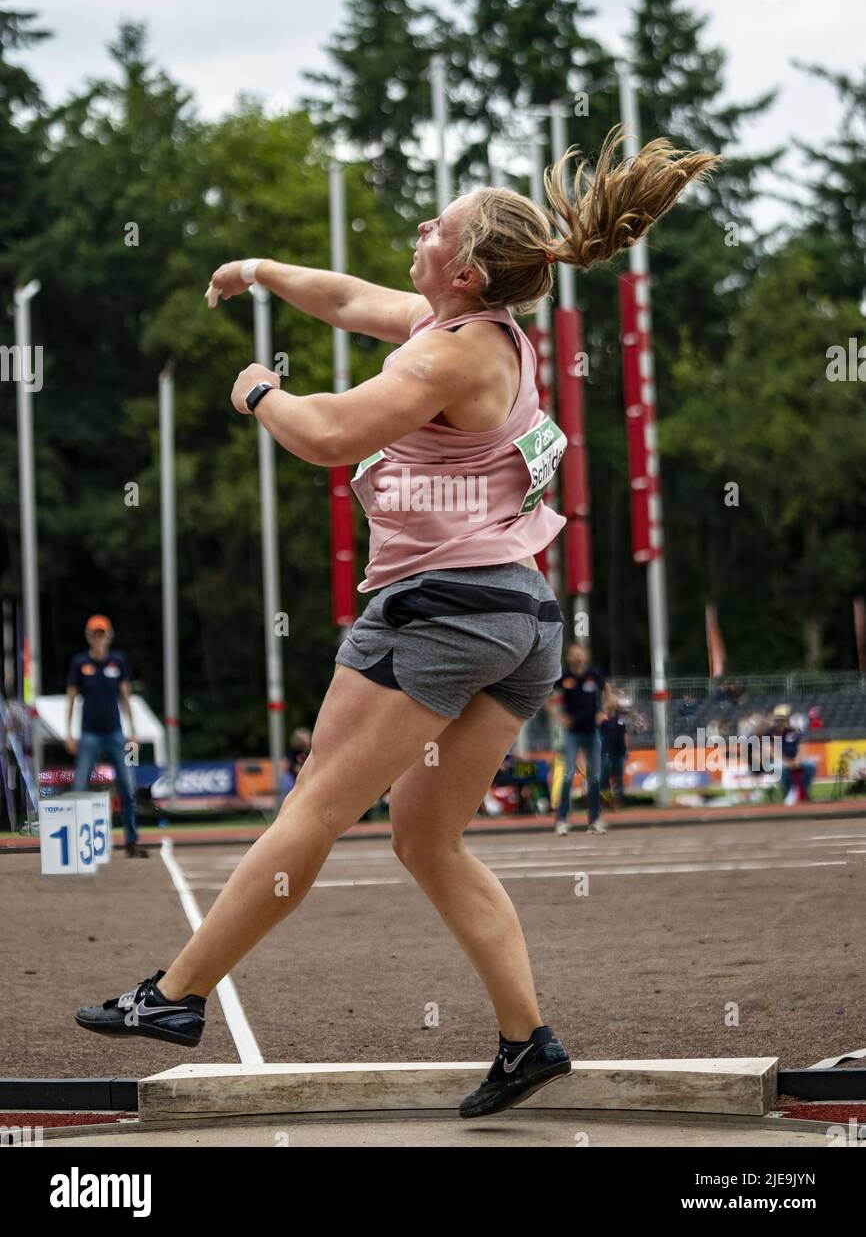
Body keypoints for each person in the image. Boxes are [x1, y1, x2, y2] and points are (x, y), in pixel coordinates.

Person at [75, 125, 721, 1118]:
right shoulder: (471, 327)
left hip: (442, 612)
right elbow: (342, 299)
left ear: (461, 270)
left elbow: (330, 434)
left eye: (435, 226)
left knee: (315, 806)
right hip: (516, 614)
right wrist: (257, 269)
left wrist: (259, 392)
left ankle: (174, 996)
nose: (417, 230)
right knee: (427, 839)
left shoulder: (451, 358)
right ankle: (526, 1040)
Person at [65, 615, 146, 859]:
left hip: (115, 733)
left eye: (102, 633)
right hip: (89, 734)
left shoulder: (117, 661)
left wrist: (133, 731)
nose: (99, 638)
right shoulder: (79, 663)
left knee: (127, 786)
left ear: (108, 636)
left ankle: (131, 841)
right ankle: (74, 844)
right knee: (79, 785)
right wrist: (68, 732)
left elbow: (126, 697)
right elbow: (70, 697)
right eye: (95, 634)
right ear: (89, 637)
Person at [545, 643, 611, 834]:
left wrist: (603, 712)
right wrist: (557, 717)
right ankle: (562, 820)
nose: (577, 657)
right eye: (573, 654)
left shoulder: (594, 675)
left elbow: (608, 690)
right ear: (568, 657)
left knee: (595, 777)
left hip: (592, 731)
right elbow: (545, 697)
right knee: (567, 775)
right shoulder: (564, 676)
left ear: (586, 656)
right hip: (572, 732)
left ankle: (594, 820)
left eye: (580, 653)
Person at [765, 703, 817, 802]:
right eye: (778, 719)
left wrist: (797, 760)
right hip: (777, 761)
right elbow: (772, 751)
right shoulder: (770, 732)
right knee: (782, 769)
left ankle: (803, 793)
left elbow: (800, 748)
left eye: (783, 719)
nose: (780, 721)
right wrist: (787, 762)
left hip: (794, 760)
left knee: (810, 766)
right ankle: (789, 794)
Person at [599, 695, 628, 811]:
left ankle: (619, 801)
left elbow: (624, 734)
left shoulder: (620, 719)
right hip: (606, 752)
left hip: (618, 751)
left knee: (618, 778)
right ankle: (606, 801)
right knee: (604, 777)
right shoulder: (602, 719)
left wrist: (626, 749)